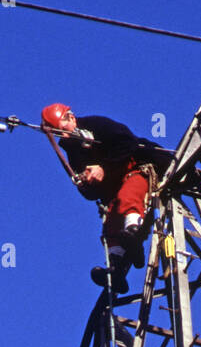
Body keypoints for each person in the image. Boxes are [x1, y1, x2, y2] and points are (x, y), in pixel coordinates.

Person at [40, 104, 172, 292]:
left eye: (63, 131)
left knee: (129, 196)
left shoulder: (97, 125)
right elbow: (90, 193)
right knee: (111, 218)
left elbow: (127, 142)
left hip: (139, 167)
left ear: (71, 118)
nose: (65, 137)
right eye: (59, 134)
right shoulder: (73, 151)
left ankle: (133, 231)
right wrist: (87, 182)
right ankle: (115, 263)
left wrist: (104, 168)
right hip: (115, 188)